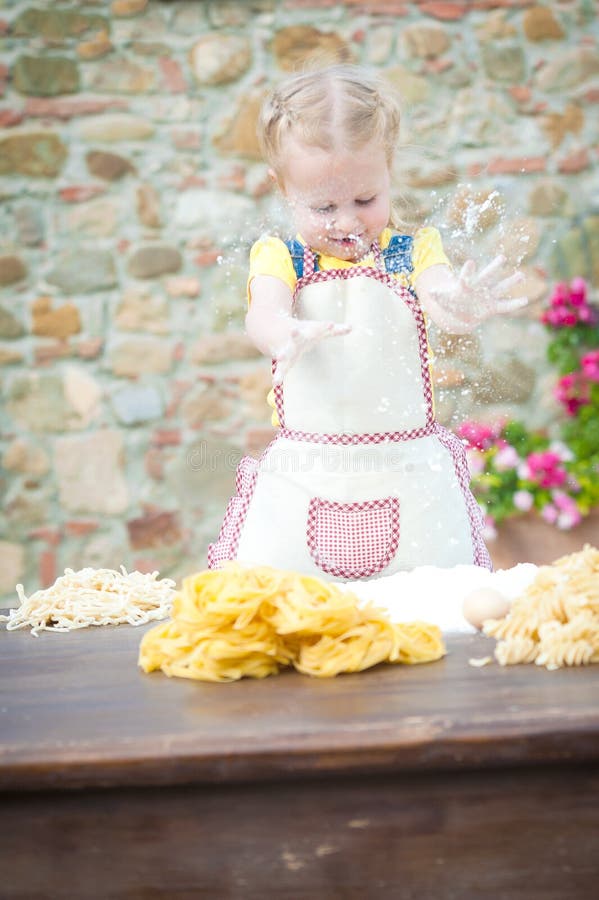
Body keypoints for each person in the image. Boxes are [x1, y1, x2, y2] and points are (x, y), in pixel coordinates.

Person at [208, 64, 527, 581]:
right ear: (281, 188)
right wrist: (283, 333)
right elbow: (263, 313)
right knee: (288, 598)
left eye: (365, 199)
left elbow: (440, 296)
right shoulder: (281, 259)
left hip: (409, 476)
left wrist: (460, 306)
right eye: (323, 206)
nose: (348, 221)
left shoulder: (413, 252)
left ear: (389, 171)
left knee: (430, 598)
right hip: (307, 478)